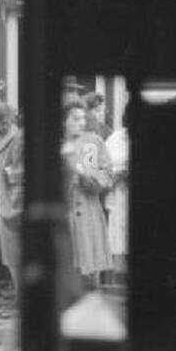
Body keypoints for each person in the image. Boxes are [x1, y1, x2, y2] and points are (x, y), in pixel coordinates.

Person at [62, 100, 114, 288]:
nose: (81, 123)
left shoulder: (92, 143)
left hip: (87, 213)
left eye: (83, 118)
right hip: (63, 214)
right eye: (75, 119)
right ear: (64, 121)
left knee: (89, 273)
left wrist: (82, 171)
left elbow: (106, 177)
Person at [0, 100, 24, 318]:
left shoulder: (16, 139)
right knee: (10, 257)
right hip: (1, 205)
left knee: (15, 257)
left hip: (11, 209)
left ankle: (21, 302)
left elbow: (18, 177)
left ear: (0, 120)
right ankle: (18, 295)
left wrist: (12, 209)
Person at [105, 101, 130, 279]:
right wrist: (118, 173)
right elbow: (103, 169)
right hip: (119, 195)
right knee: (119, 239)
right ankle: (119, 279)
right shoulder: (114, 140)